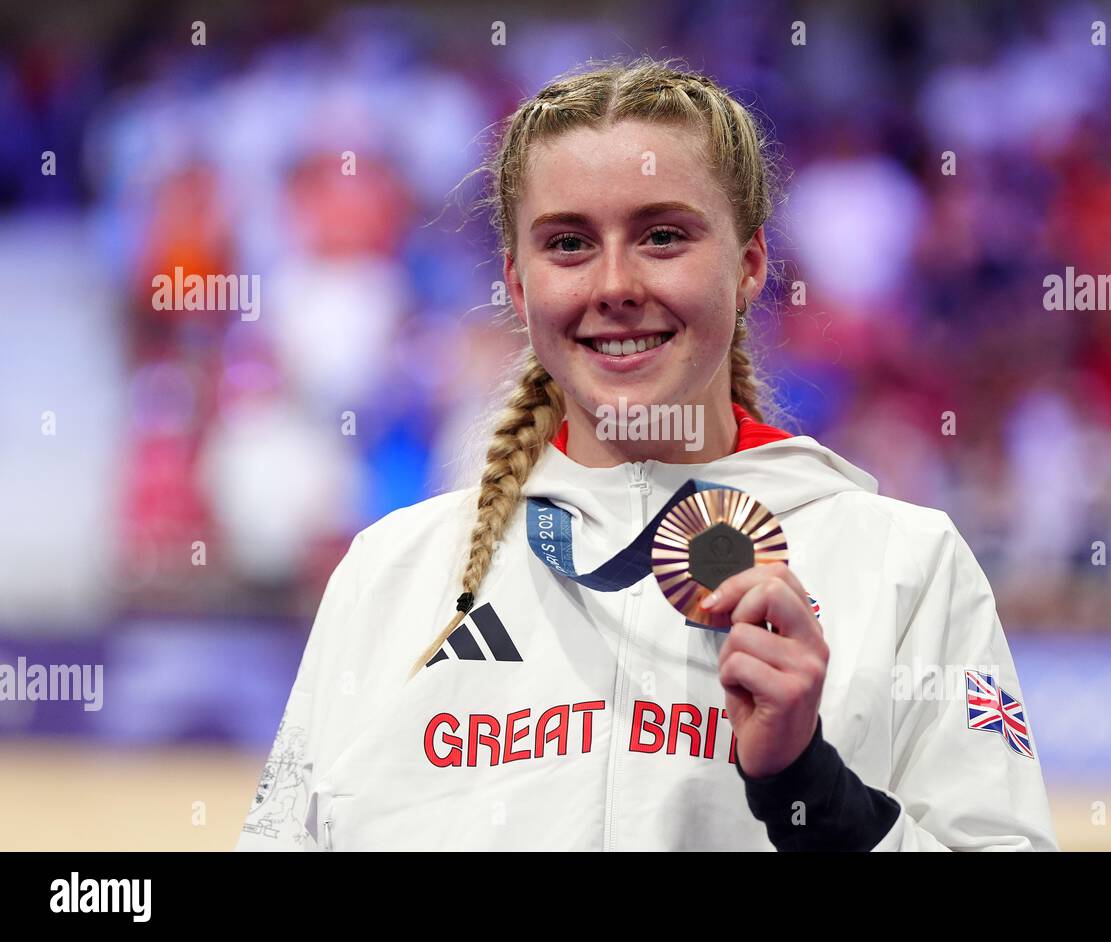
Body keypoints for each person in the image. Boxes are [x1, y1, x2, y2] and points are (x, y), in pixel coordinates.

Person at [235, 56, 1058, 852]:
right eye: (567, 244)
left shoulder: (906, 569)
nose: (614, 284)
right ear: (517, 288)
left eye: (663, 236)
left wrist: (812, 791)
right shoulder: (390, 576)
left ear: (750, 267)